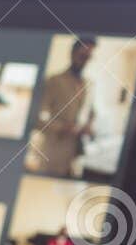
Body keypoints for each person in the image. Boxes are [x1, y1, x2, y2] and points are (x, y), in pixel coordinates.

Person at [30, 36, 97, 177]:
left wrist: (89, 125)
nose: (85, 60)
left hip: (76, 155)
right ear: (72, 53)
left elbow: (92, 112)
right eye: (82, 55)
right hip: (54, 153)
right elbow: (37, 118)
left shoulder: (89, 85)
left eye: (89, 57)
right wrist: (61, 128)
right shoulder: (53, 81)